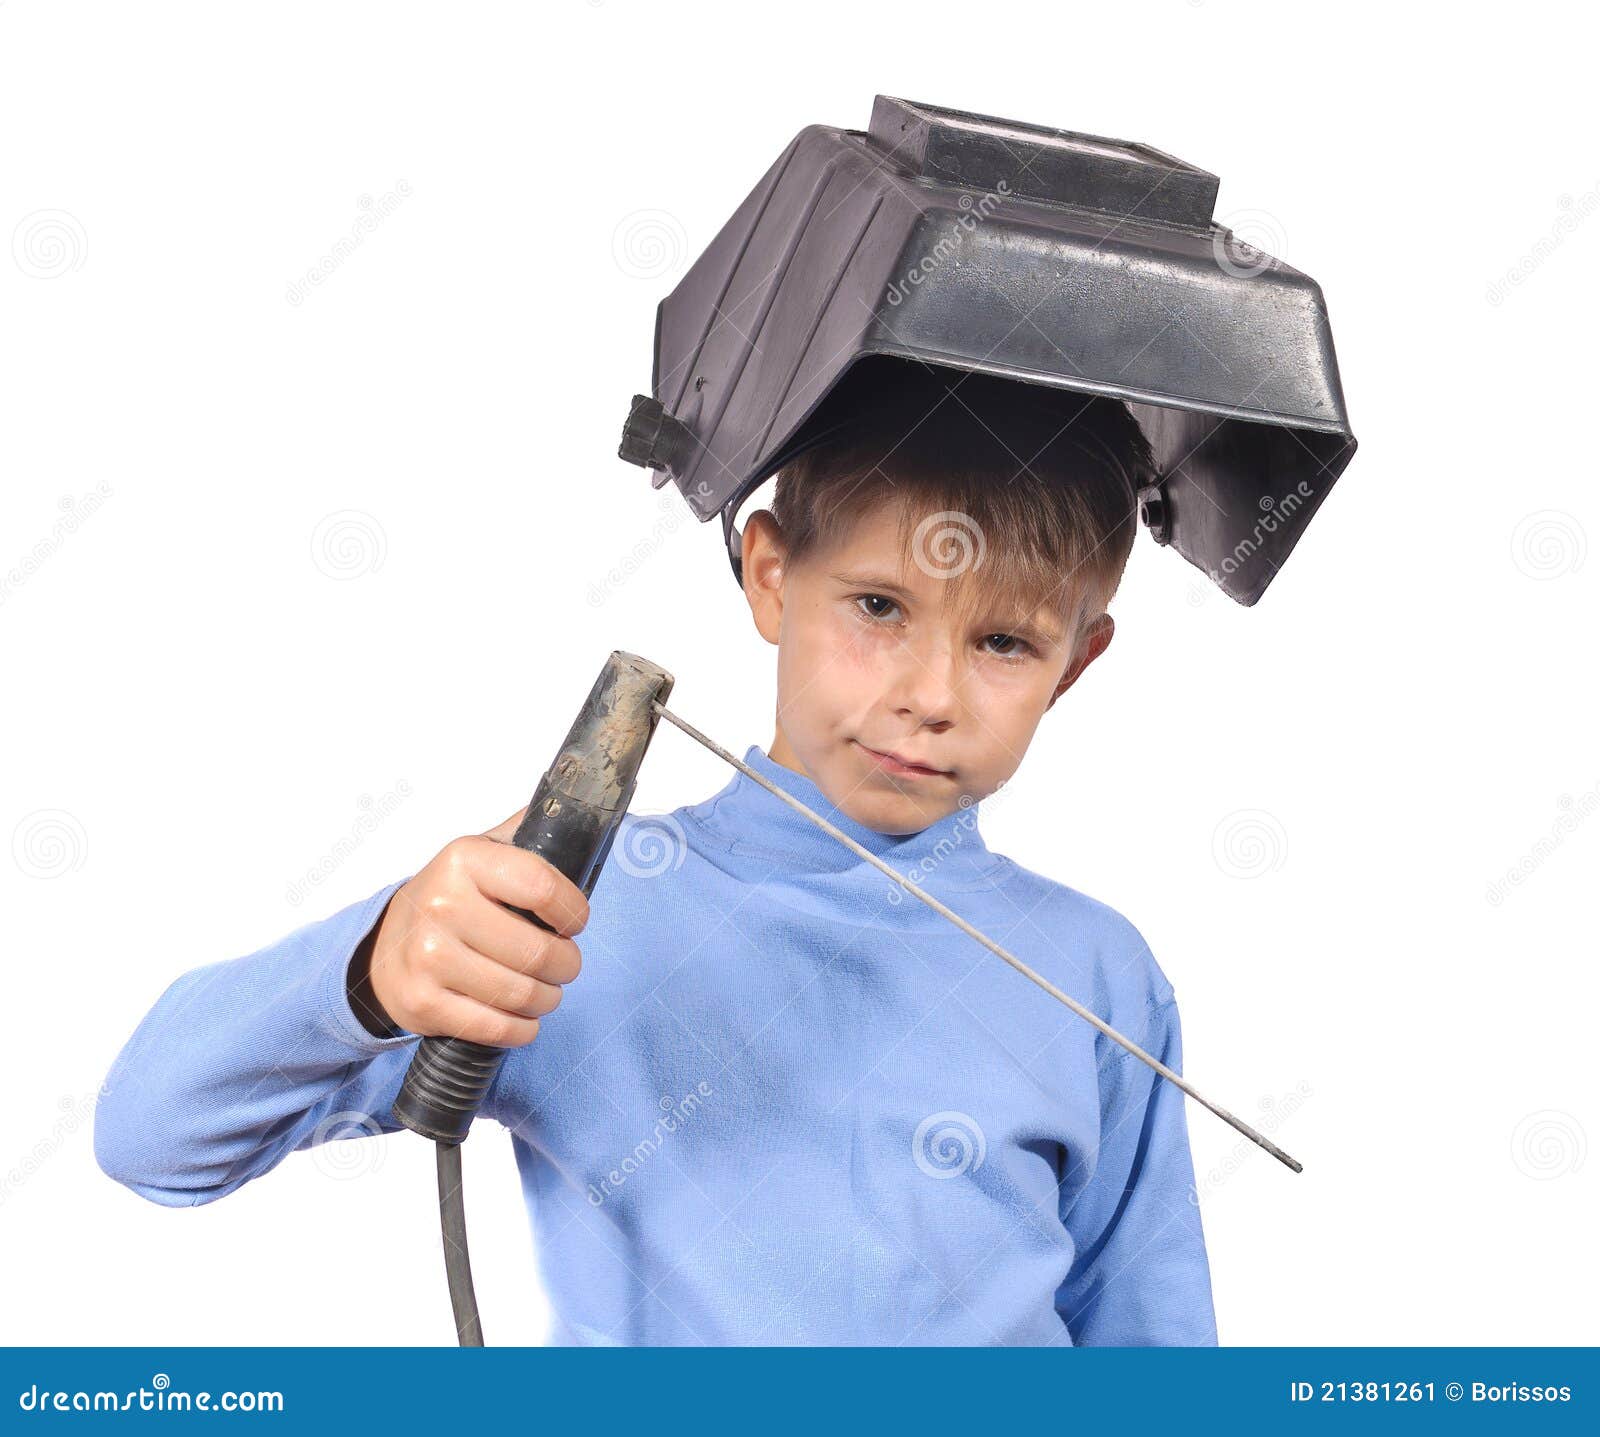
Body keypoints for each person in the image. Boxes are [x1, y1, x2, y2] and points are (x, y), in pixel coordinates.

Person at [94, 359, 1218, 1346]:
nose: (929, 696)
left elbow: (1152, 1346)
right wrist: (374, 968)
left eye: (1005, 642)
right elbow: (154, 1136)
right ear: (770, 574)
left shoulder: (1097, 974)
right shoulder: (568, 916)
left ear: (1076, 661)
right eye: (878, 606)